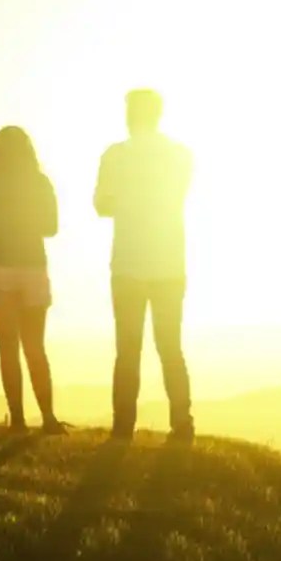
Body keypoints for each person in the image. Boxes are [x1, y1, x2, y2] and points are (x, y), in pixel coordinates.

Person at [95, 89, 194, 443]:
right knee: (170, 346)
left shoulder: (115, 156)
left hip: (129, 263)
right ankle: (182, 423)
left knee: (128, 348)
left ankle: (123, 426)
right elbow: (178, 196)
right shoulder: (180, 155)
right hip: (170, 261)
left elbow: (101, 205)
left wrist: (126, 201)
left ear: (129, 115)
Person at [0, 126, 66, 435]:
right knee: (35, 346)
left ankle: (18, 419)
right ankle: (48, 418)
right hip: (31, 266)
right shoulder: (40, 183)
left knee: (7, 348)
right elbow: (51, 228)